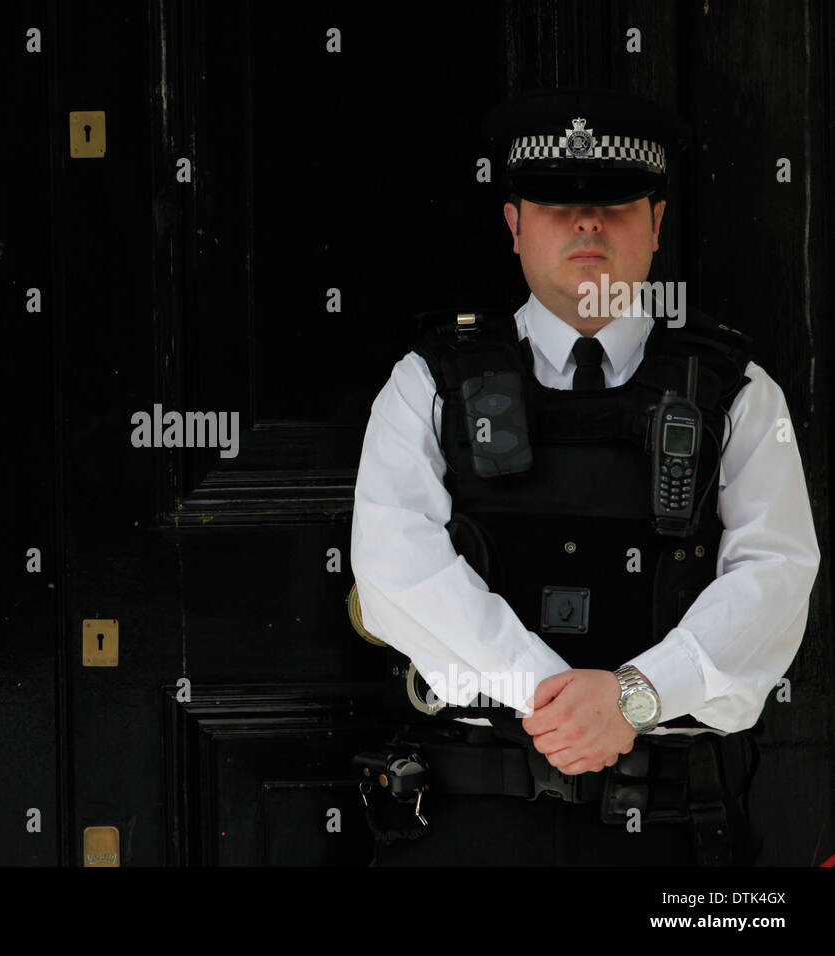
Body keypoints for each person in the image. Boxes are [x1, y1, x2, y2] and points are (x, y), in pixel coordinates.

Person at [350, 87, 821, 866]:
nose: (587, 224)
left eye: (616, 203)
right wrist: (559, 698)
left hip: (675, 819)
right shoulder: (427, 380)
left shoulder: (736, 388)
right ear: (513, 225)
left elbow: (776, 574)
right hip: (473, 816)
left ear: (657, 222)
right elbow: (395, 568)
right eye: (557, 204)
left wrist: (635, 696)